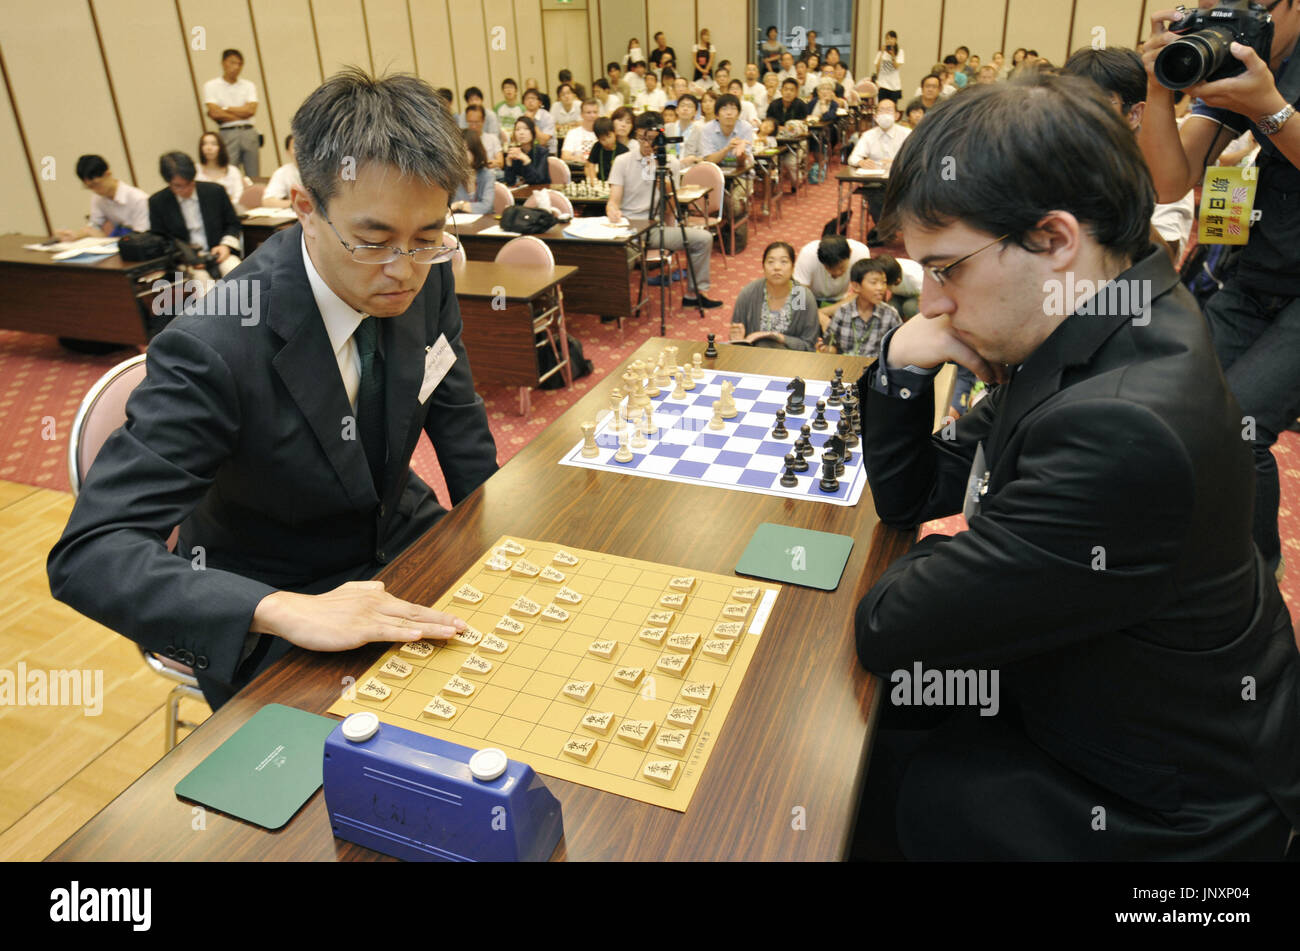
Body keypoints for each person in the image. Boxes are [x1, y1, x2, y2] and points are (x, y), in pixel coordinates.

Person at [852, 74, 1300, 861]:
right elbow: (920, 491)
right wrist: (898, 366)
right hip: (1108, 695)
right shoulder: (1110, 307)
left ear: (1054, 239)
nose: (929, 303)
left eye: (947, 267)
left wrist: (946, 556)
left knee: (887, 781)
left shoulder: (1120, 425)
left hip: (1168, 810)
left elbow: (890, 627)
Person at [50, 69, 498, 712]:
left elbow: (458, 421)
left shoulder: (428, 276)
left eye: (427, 238)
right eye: (373, 242)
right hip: (284, 600)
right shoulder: (214, 347)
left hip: (402, 537)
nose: (404, 270)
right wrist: (283, 610)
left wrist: (500, 550)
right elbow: (91, 554)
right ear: (306, 208)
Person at [1138, 1, 1300, 582]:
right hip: (1257, 271)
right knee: (1172, 394)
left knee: (1243, 422)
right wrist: (1160, 91)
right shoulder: (1232, 57)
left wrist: (1271, 108)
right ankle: (1193, 553)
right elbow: (1170, 180)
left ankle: (1255, 580)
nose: (1231, 25)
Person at [1061, 46, 1194, 265]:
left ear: (1133, 114)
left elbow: (1164, 261)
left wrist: (1119, 195)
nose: (1078, 114)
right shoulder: (1056, 158)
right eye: (1069, 101)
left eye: (1095, 103)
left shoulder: (1164, 174)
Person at [606, 111, 723, 309]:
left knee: (703, 239)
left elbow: (671, 208)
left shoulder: (671, 164)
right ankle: (615, 303)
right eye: (641, 138)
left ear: (661, 138)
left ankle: (694, 294)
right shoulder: (622, 161)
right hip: (628, 227)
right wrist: (612, 210)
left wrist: (662, 178)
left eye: (651, 139)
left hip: (654, 228)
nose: (646, 144)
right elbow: (613, 201)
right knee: (618, 253)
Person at [148, 151, 243, 277]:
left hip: (219, 253)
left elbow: (233, 224)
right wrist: (187, 257)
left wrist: (225, 246)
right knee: (201, 281)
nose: (187, 190)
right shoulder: (158, 202)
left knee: (238, 273)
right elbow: (161, 239)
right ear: (168, 183)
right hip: (186, 262)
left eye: (190, 183)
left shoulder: (215, 192)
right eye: (179, 186)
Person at [726, 241, 818, 349]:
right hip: (753, 357)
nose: (777, 267)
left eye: (784, 262)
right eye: (770, 262)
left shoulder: (800, 296)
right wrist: (737, 337)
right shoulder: (750, 293)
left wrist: (780, 338)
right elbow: (737, 340)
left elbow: (808, 344)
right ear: (763, 267)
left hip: (791, 359)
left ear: (793, 267)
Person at [821, 257, 901, 357]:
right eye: (874, 282)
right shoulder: (843, 311)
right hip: (845, 366)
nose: (881, 288)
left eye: (883, 282)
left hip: (874, 369)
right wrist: (828, 349)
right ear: (856, 286)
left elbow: (900, 348)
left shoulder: (890, 314)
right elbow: (830, 342)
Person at [56, 155, 149, 240]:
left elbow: (142, 236)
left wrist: (105, 239)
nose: (95, 190)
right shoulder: (98, 198)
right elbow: (95, 225)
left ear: (108, 174)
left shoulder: (138, 199)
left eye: (96, 184)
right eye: (89, 187)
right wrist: (75, 235)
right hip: (121, 244)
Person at [203, 49, 260, 177]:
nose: (236, 67)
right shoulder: (211, 85)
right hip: (227, 133)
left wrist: (224, 108)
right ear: (223, 63)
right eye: (232, 63)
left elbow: (251, 111)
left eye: (240, 64)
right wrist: (241, 112)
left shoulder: (248, 85)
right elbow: (214, 113)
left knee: (254, 174)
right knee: (229, 172)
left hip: (248, 131)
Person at [795, 234, 871, 309]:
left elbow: (863, 292)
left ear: (850, 253)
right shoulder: (807, 254)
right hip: (811, 299)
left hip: (842, 300)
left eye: (841, 268)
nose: (837, 273)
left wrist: (822, 313)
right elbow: (798, 299)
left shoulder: (861, 253)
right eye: (829, 269)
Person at [196, 132, 246, 208]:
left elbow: (238, 197)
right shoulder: (195, 170)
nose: (209, 148)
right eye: (204, 144)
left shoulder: (233, 171)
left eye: (214, 144)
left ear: (221, 148)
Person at [451, 131, 496, 215]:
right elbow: (447, 206)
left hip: (485, 223)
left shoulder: (487, 175)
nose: (462, 154)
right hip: (460, 224)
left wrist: (459, 205)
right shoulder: (453, 176)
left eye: (466, 149)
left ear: (476, 151)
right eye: (459, 150)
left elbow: (486, 207)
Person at [503, 116, 550, 185]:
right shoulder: (515, 152)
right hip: (521, 193)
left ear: (532, 132)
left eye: (526, 129)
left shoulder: (542, 152)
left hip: (541, 191)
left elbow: (538, 180)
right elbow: (510, 182)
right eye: (517, 129)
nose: (521, 133)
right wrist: (509, 163)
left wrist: (526, 160)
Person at [261, 134, 303, 209]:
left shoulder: (323, 170)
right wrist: (295, 204)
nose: (300, 150)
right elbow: (267, 201)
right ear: (287, 152)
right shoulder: (283, 172)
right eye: (295, 147)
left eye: (302, 146)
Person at [584, 117, 627, 181]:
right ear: (598, 139)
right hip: (601, 183)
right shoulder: (597, 146)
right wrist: (593, 180)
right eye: (603, 139)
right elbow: (591, 164)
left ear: (614, 132)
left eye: (609, 136)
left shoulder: (623, 150)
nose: (607, 141)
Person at [464, 104, 503, 175]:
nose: (473, 126)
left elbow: (500, 162)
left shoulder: (492, 138)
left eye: (476, 122)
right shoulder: (462, 140)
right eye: (470, 122)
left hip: (490, 173)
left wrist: (490, 163)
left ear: (483, 120)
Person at [520, 88, 556, 155]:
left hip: (547, 152)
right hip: (527, 152)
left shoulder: (548, 117)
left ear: (540, 103)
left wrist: (531, 122)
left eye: (533, 98)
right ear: (523, 103)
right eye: (527, 98)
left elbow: (542, 141)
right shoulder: (521, 117)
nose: (530, 101)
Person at [874, 31, 905, 105]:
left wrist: (893, 55)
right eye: (887, 38)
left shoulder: (900, 52)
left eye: (892, 38)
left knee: (893, 107)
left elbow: (896, 66)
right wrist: (881, 53)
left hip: (894, 85)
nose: (889, 40)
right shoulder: (881, 52)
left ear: (895, 40)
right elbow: (877, 67)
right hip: (883, 85)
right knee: (881, 105)